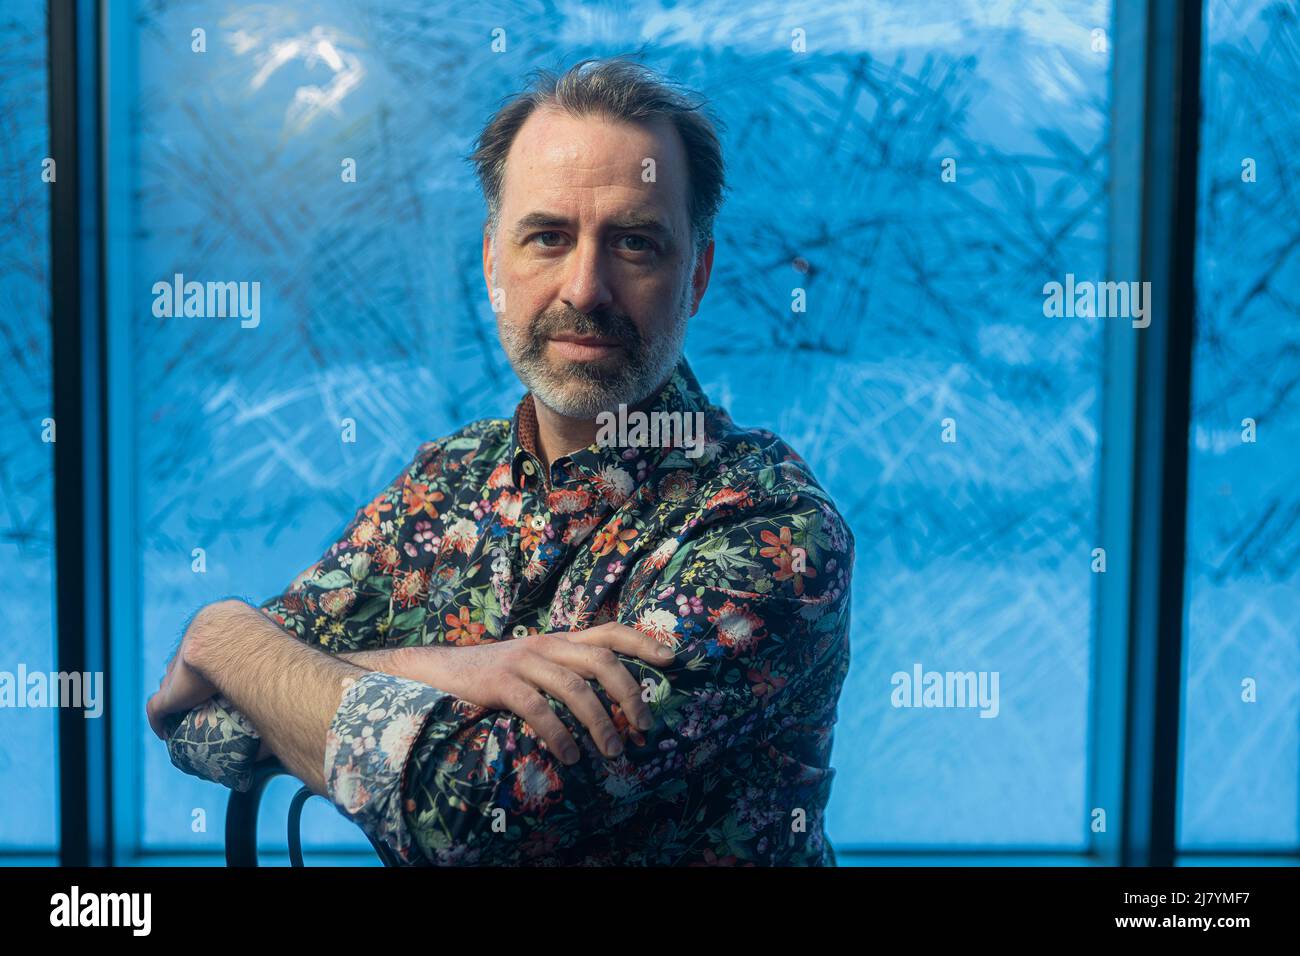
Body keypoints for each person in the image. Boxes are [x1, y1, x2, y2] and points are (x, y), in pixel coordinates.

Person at [147, 55, 854, 866]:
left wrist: (232, 639)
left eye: (634, 243)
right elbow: (196, 722)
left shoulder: (772, 532)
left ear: (695, 275)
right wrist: (451, 669)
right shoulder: (445, 483)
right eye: (548, 237)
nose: (584, 289)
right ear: (492, 262)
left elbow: (471, 814)